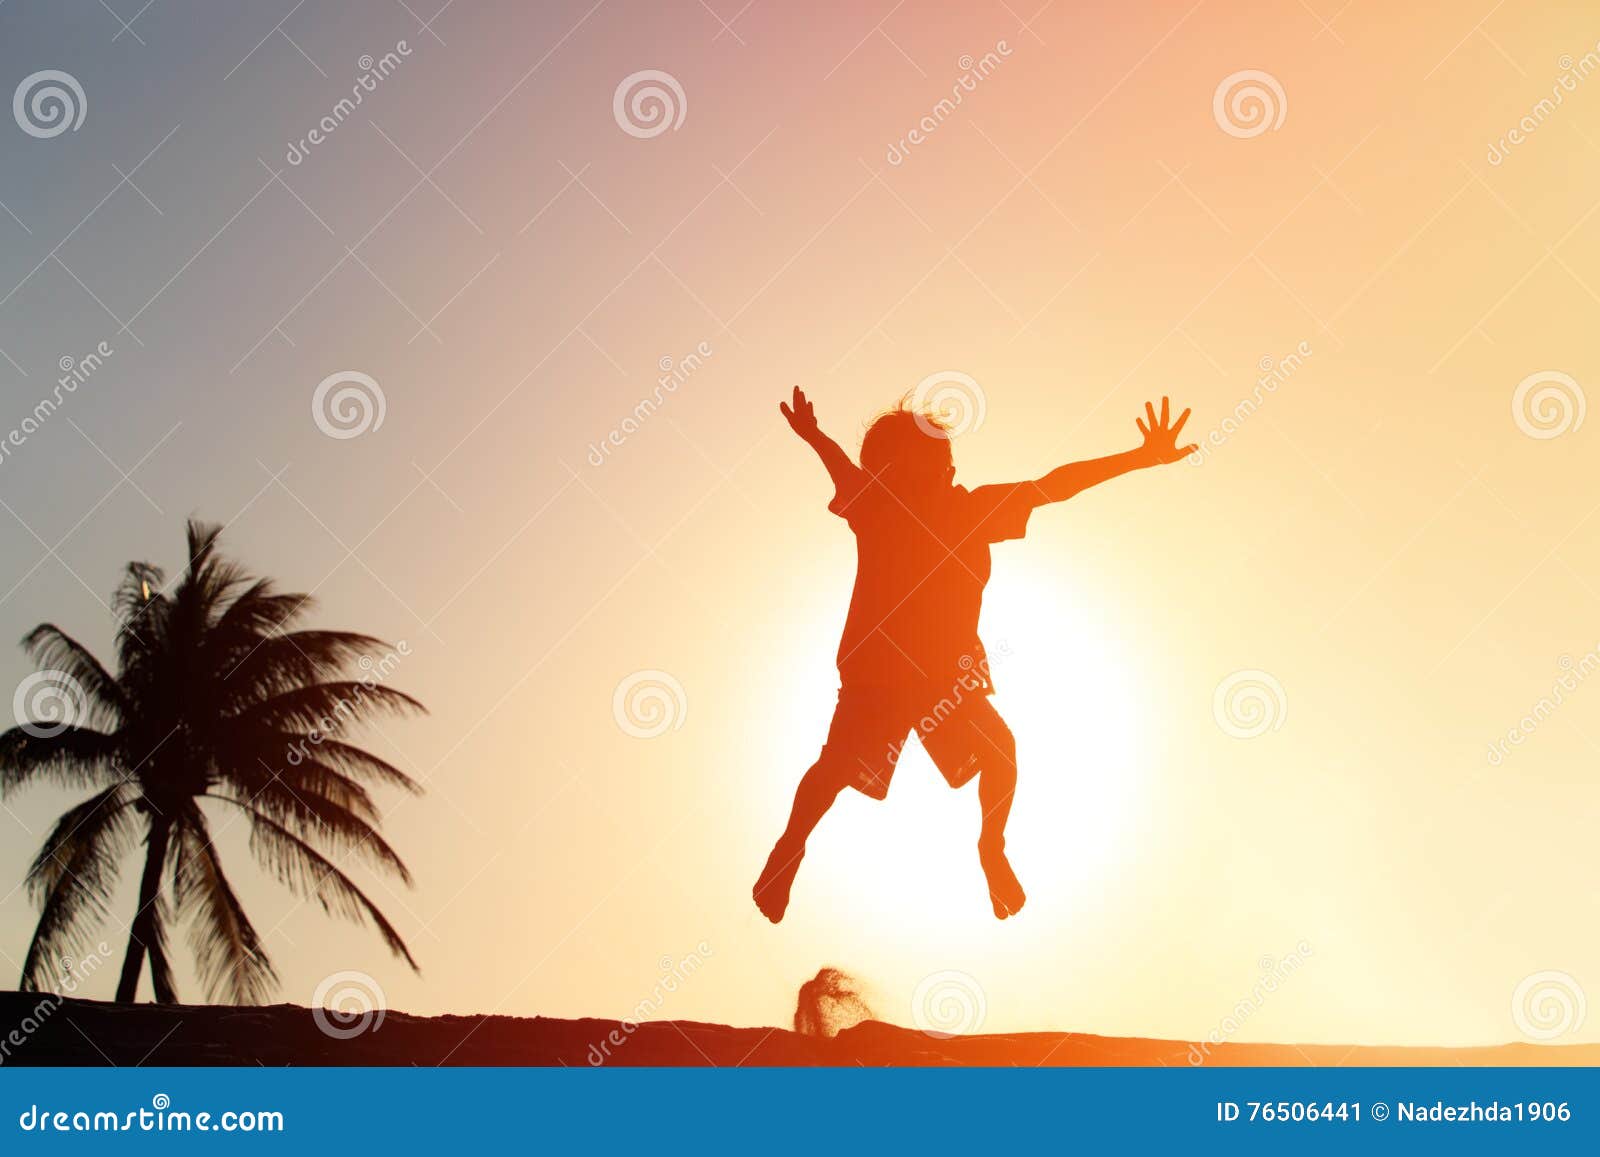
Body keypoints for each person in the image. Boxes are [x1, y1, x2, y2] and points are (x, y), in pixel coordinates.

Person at [753, 386, 1195, 922]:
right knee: (838, 766)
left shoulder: (971, 509)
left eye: (946, 455)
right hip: (882, 673)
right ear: (891, 468)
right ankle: (789, 849)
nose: (945, 463)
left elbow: (1053, 486)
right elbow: (842, 469)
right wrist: (816, 436)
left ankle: (991, 846)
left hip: (943, 677)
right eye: (932, 455)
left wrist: (1140, 457)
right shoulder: (879, 505)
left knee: (999, 751)